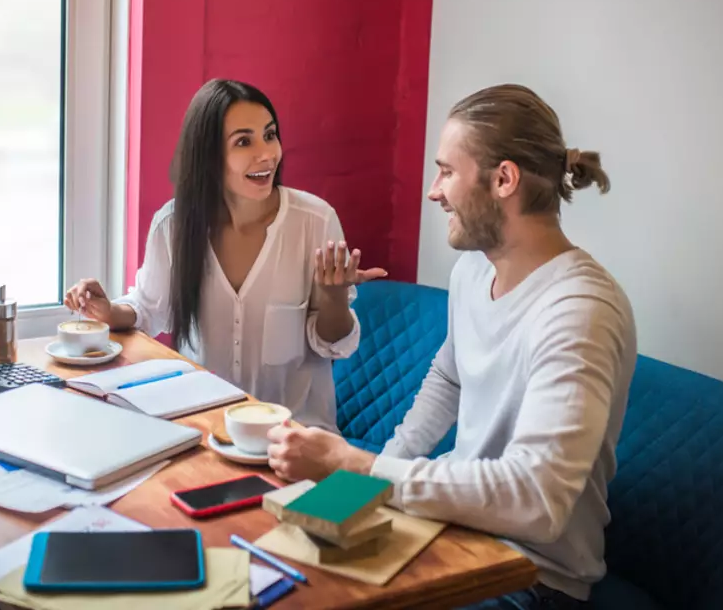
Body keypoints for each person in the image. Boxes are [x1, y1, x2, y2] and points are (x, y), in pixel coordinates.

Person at [267, 84, 637, 608]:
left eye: (446, 170)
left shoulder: (581, 310)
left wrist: (361, 467)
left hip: (532, 578)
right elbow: (449, 379)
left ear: (503, 179)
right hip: (456, 531)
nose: (432, 190)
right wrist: (362, 488)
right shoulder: (472, 272)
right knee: (281, 573)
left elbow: (536, 500)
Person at [64, 79, 386, 430]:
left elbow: (333, 346)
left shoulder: (316, 221)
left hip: (295, 438)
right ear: (209, 155)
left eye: (270, 135)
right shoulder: (173, 225)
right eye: (244, 142)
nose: (267, 154)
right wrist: (107, 310)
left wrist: (335, 298)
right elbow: (148, 309)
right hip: (199, 430)